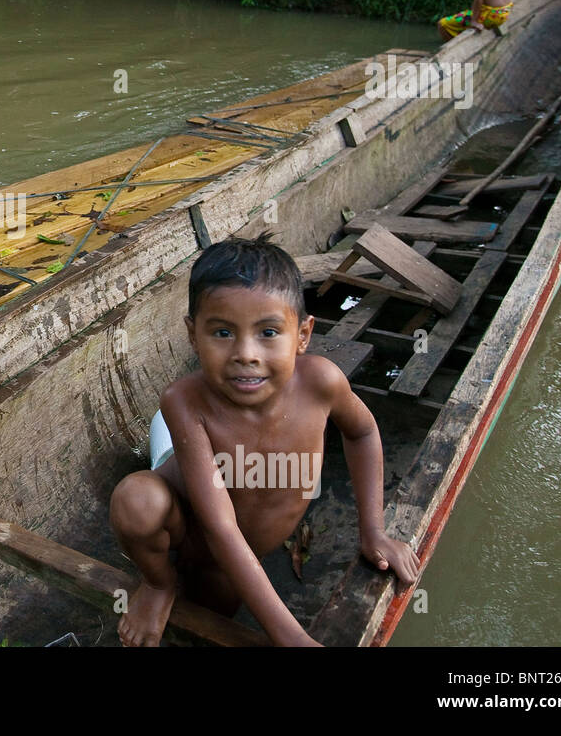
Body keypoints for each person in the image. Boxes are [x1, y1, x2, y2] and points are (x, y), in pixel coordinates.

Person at [109, 233, 419, 647]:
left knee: (221, 605)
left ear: (303, 334)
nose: (246, 353)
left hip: (248, 540)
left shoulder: (321, 382)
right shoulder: (184, 401)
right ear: (192, 335)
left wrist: (373, 531)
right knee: (138, 503)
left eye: (268, 332)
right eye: (222, 333)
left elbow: (361, 431)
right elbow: (219, 526)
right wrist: (291, 636)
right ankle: (158, 583)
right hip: (202, 537)